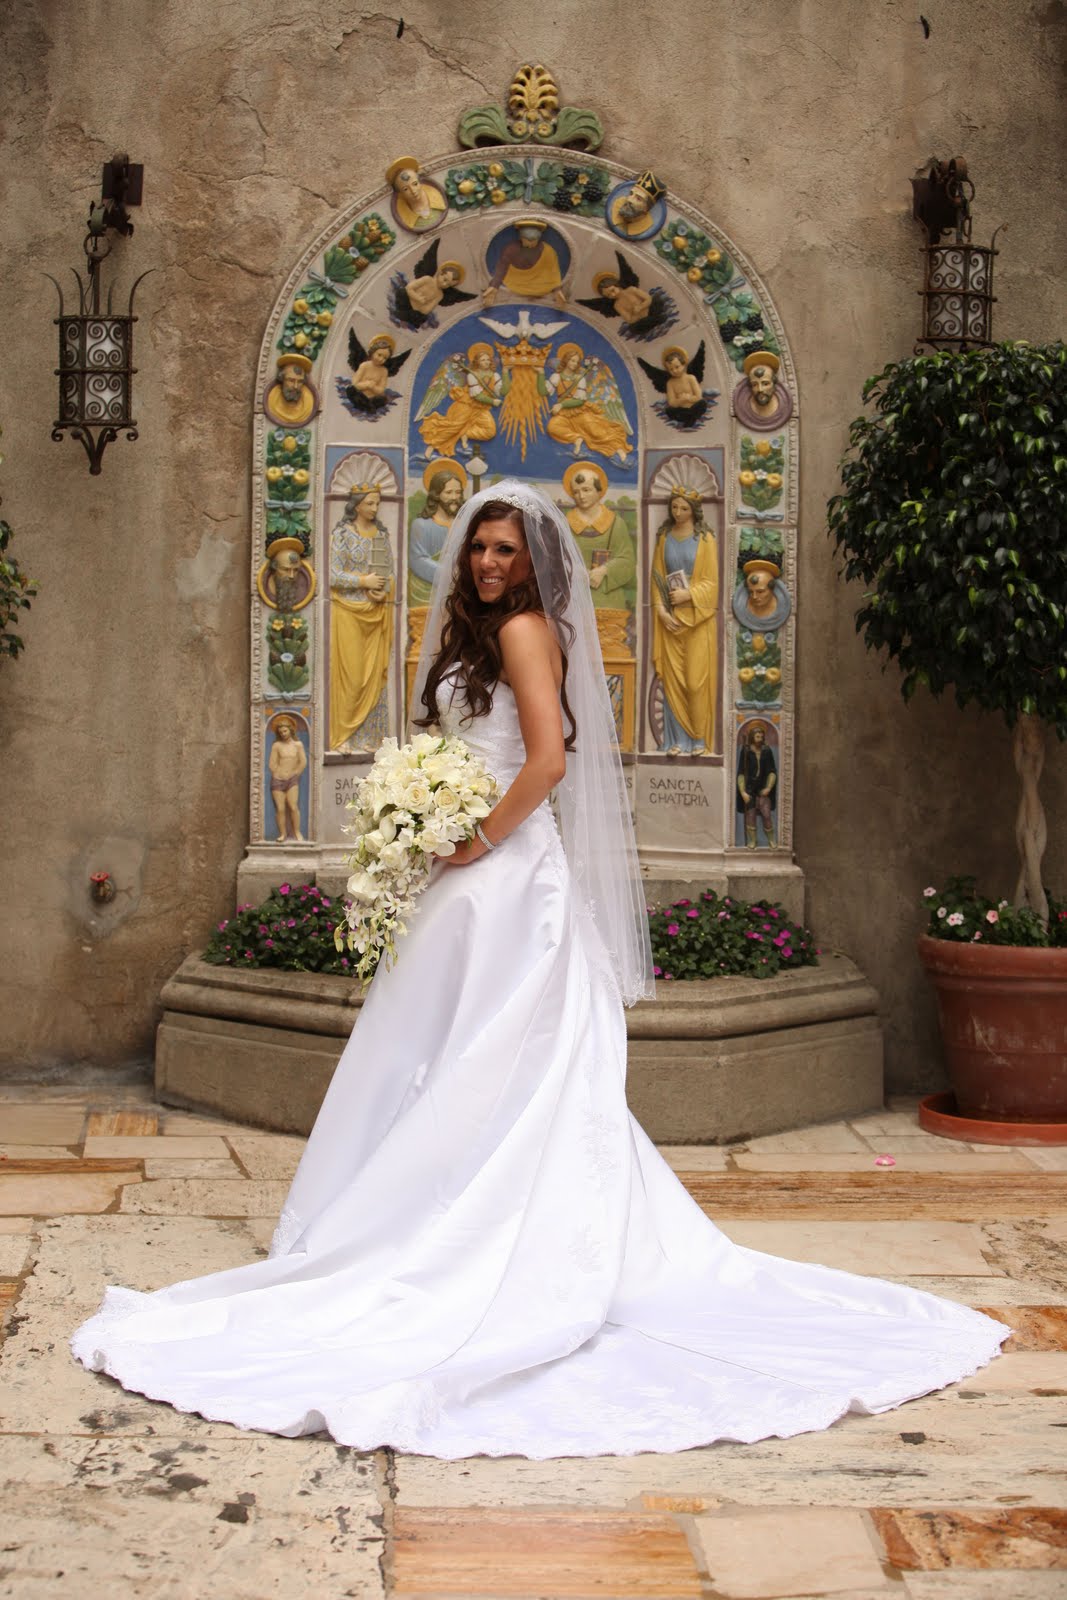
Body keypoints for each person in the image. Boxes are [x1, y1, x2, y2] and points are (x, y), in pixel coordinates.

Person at [71, 481, 1009, 1457]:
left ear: (533, 562)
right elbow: (473, 747)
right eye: (476, 547)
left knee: (494, 1057)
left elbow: (550, 759)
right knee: (436, 1049)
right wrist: (421, 818)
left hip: (507, 875)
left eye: (504, 551)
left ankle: (475, 1239)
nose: (485, 563)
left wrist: (474, 836)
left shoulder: (524, 631)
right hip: (462, 876)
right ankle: (411, 1220)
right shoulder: (472, 639)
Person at [651, 490, 718, 756]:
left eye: (683, 509)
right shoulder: (664, 538)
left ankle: (699, 739)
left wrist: (689, 594)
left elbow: (712, 583)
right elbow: (657, 578)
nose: (677, 513)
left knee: (694, 682)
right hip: (671, 620)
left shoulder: (705, 539)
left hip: (698, 621)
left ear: (694, 511)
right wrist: (661, 611)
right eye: (674, 508)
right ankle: (677, 740)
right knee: (672, 681)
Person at [328, 485, 394, 753]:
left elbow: (389, 572)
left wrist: (381, 587)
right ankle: (342, 736)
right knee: (352, 677)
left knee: (375, 677)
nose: (374, 509)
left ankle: (369, 739)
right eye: (369, 504)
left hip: (376, 612)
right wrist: (362, 580)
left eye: (377, 503)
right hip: (347, 612)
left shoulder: (381, 535)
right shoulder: (342, 534)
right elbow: (332, 575)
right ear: (356, 505)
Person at [736, 719, 778, 848]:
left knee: (766, 815)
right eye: (757, 736)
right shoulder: (746, 751)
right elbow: (741, 772)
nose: (760, 738)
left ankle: (771, 839)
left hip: (763, 790)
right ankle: (752, 840)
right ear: (752, 737)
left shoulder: (767, 751)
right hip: (749, 790)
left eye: (761, 736)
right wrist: (743, 792)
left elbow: (772, 771)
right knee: (750, 816)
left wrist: (768, 787)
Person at [268, 717, 307, 840]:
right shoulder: (277, 746)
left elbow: (303, 762)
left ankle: (297, 832)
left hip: (292, 780)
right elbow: (272, 764)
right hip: (278, 780)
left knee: (293, 806)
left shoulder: (298, 745)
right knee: (280, 808)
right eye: (281, 732)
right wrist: (278, 774)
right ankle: (282, 834)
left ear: (290, 730)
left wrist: (295, 773)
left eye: (285, 731)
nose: (283, 734)